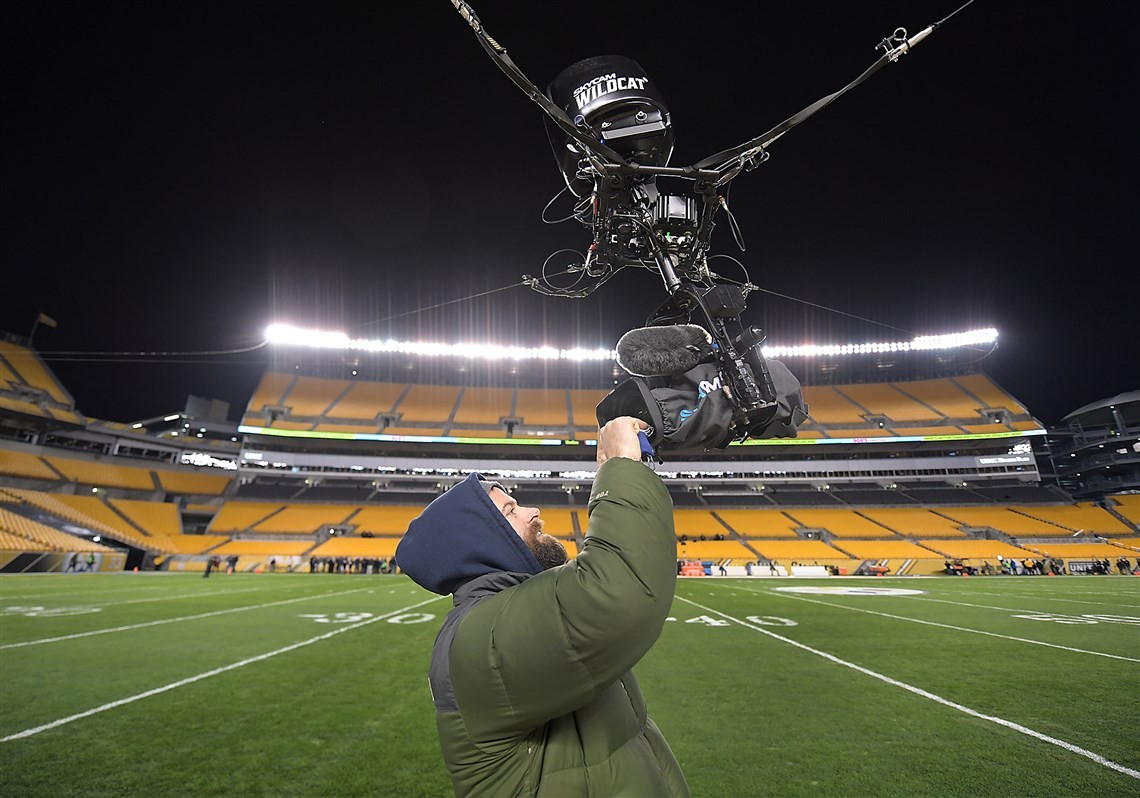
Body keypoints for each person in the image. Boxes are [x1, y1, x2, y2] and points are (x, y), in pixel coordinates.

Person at [396, 417, 689, 797]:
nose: (532, 511)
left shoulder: (499, 617)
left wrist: (612, 470)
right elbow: (617, 594)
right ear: (477, 541)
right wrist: (621, 469)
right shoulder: (483, 637)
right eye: (510, 510)